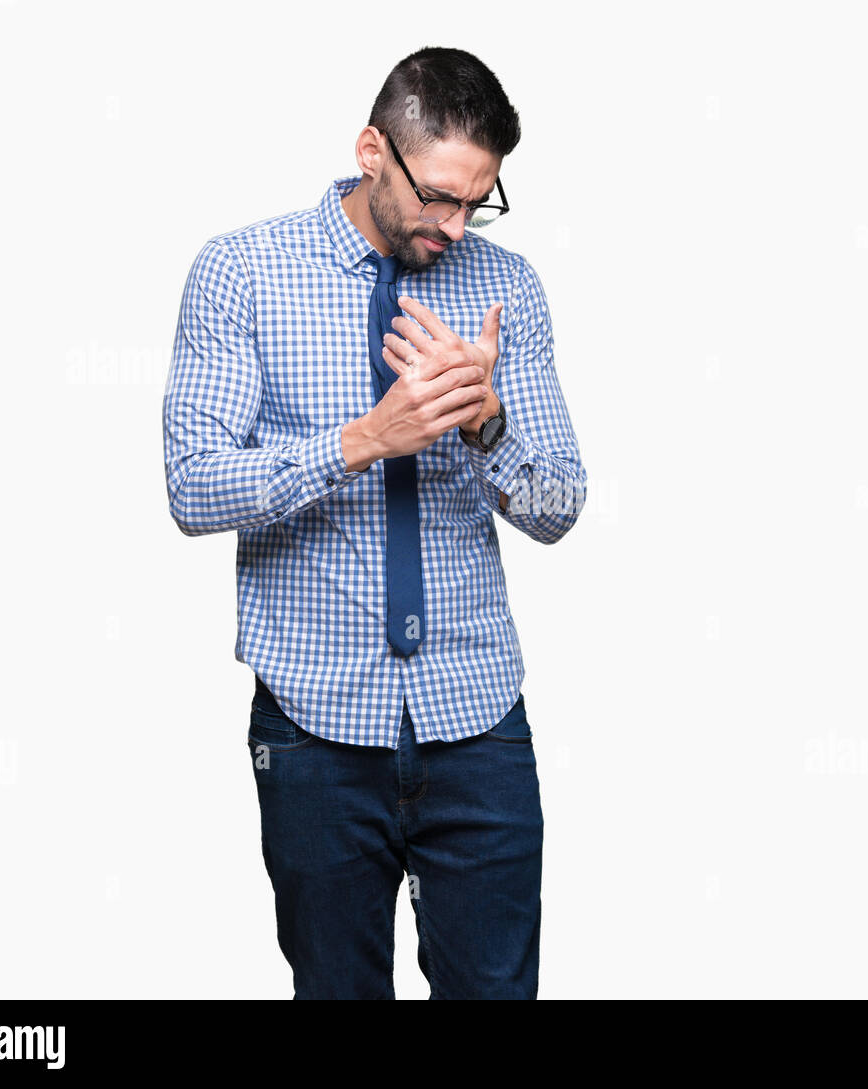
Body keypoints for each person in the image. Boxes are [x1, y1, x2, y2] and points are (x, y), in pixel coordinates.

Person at [161, 46, 586, 999]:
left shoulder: (504, 289)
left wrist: (487, 424)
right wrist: (362, 440)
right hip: (314, 725)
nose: (456, 225)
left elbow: (559, 506)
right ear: (371, 150)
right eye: (437, 196)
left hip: (477, 722)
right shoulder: (243, 272)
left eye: (479, 201)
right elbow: (192, 487)